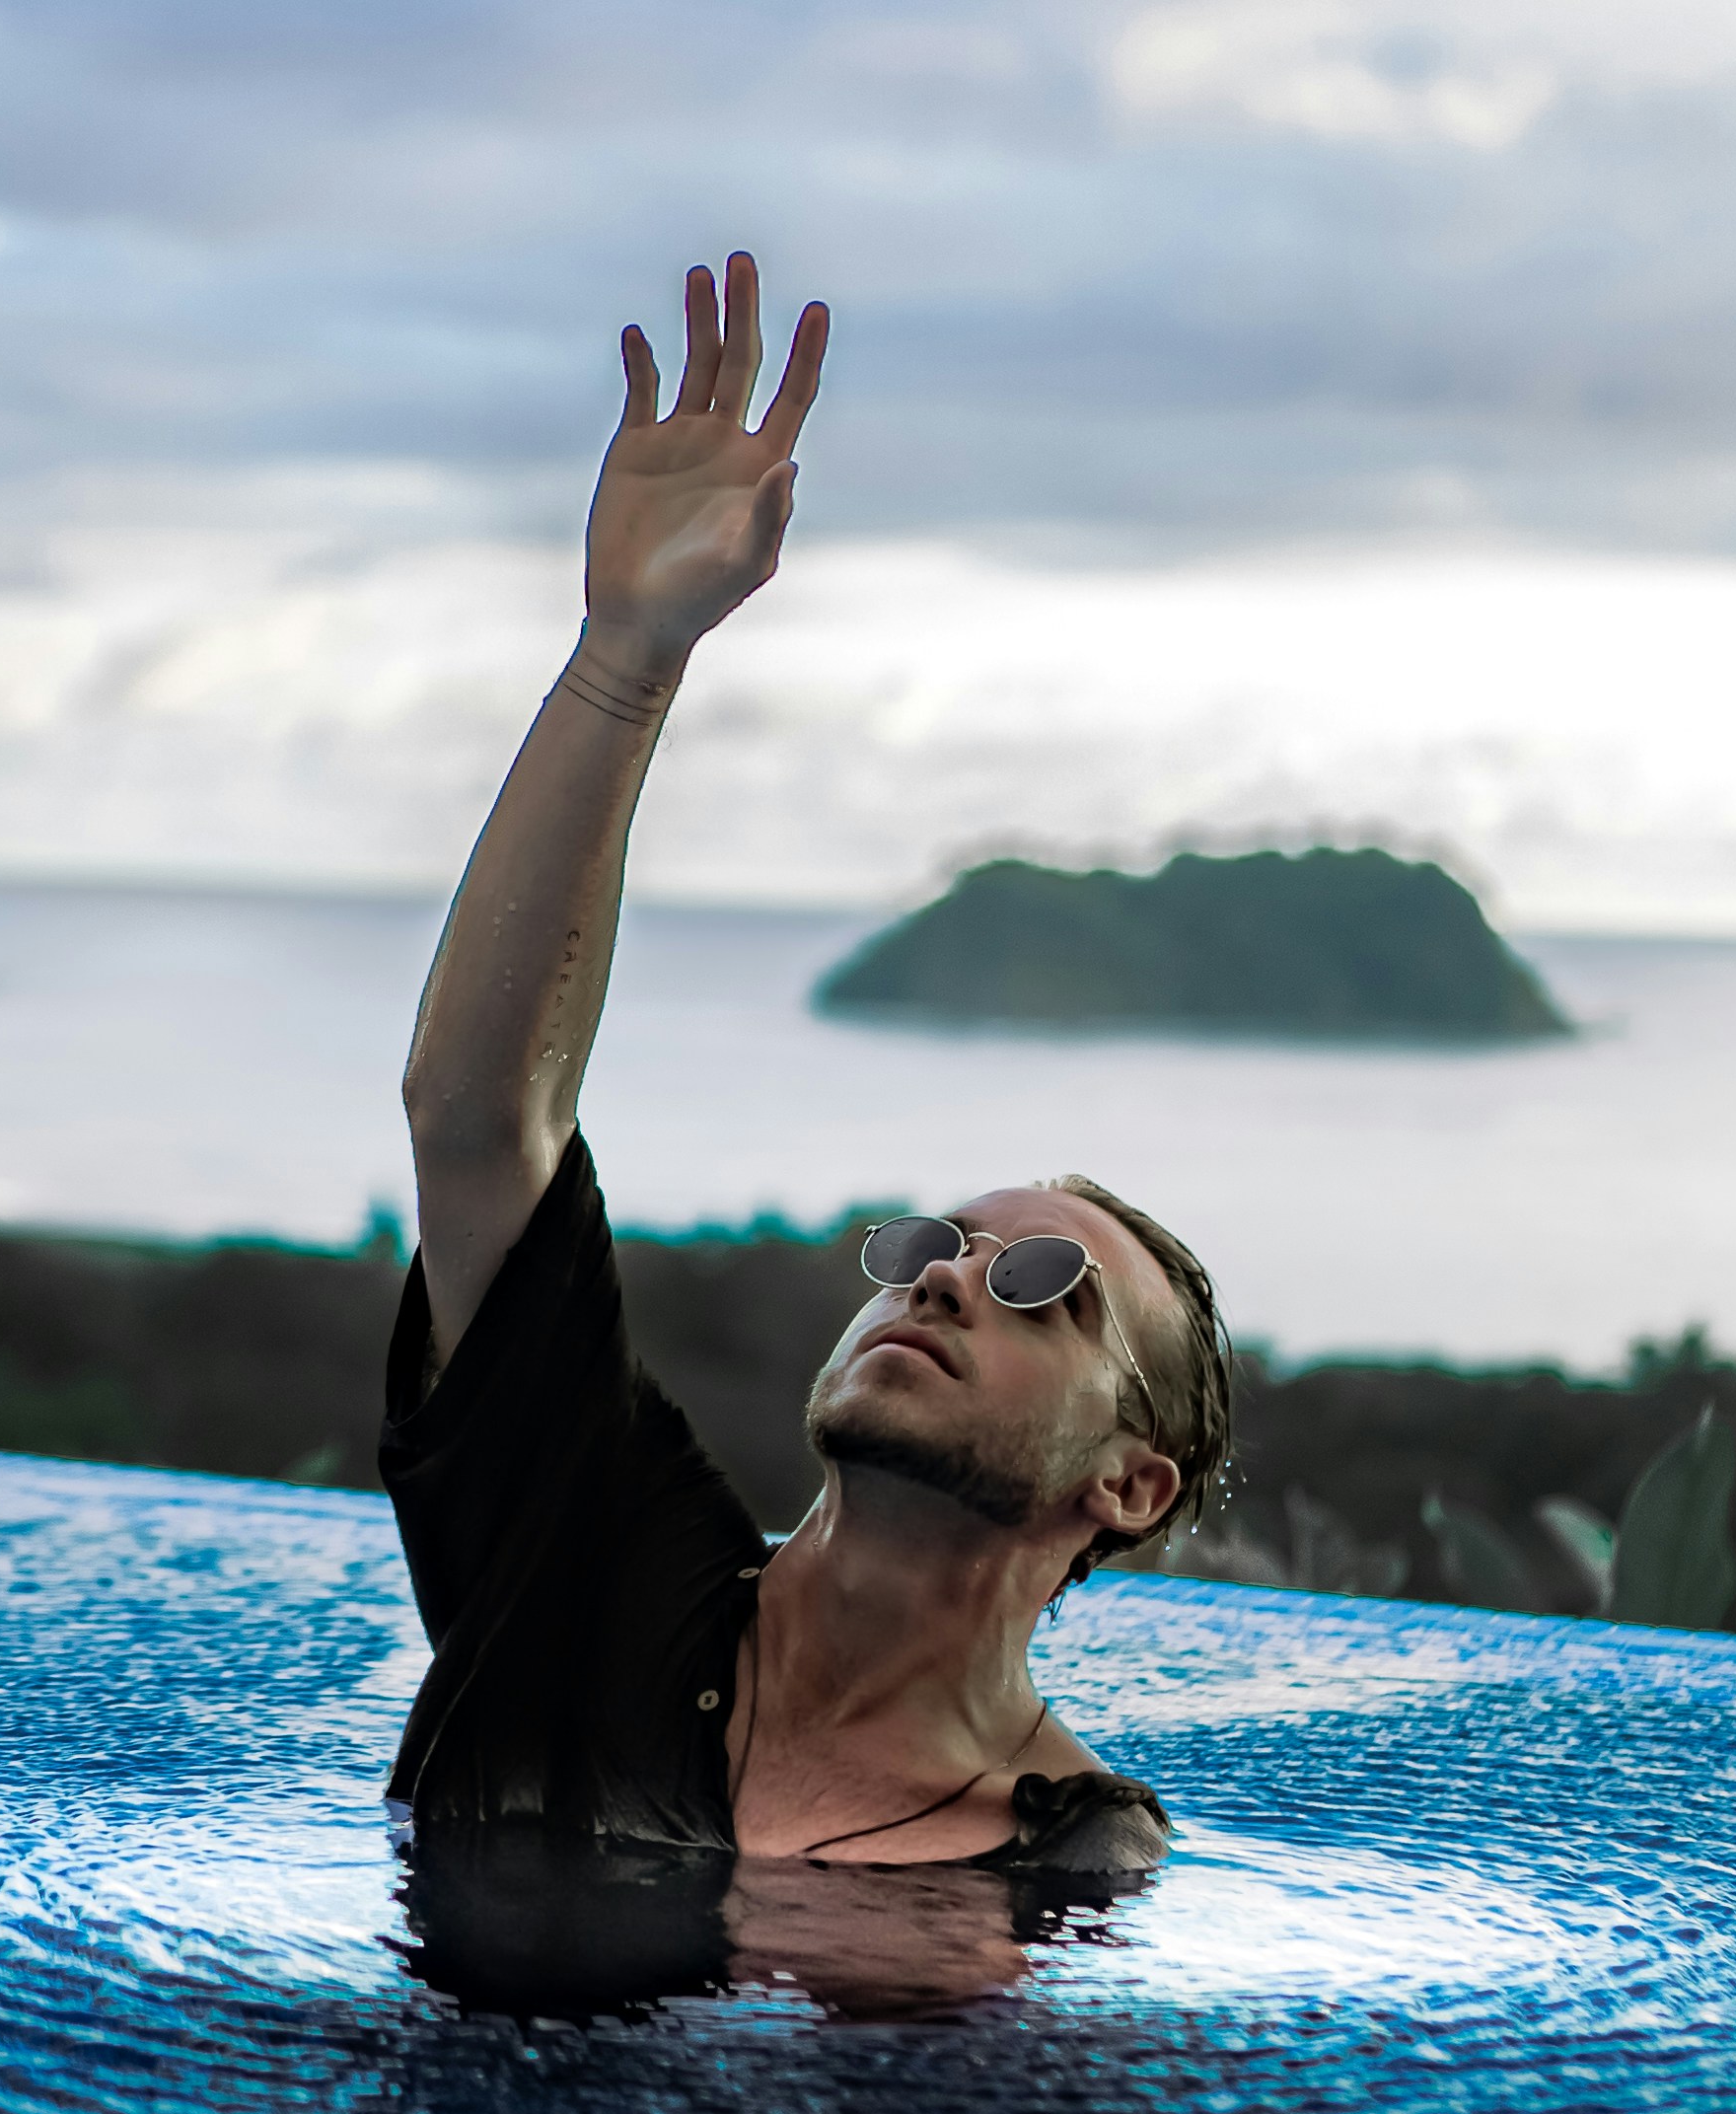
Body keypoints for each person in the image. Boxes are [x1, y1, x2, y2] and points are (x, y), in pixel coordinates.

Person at [383, 250, 1236, 1892]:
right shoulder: (583, 1563)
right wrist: (630, 653)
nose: (941, 1286)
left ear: (1128, 1487)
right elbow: (477, 1119)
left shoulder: (1067, 1859)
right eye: (931, 1248)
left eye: (1045, 1284)